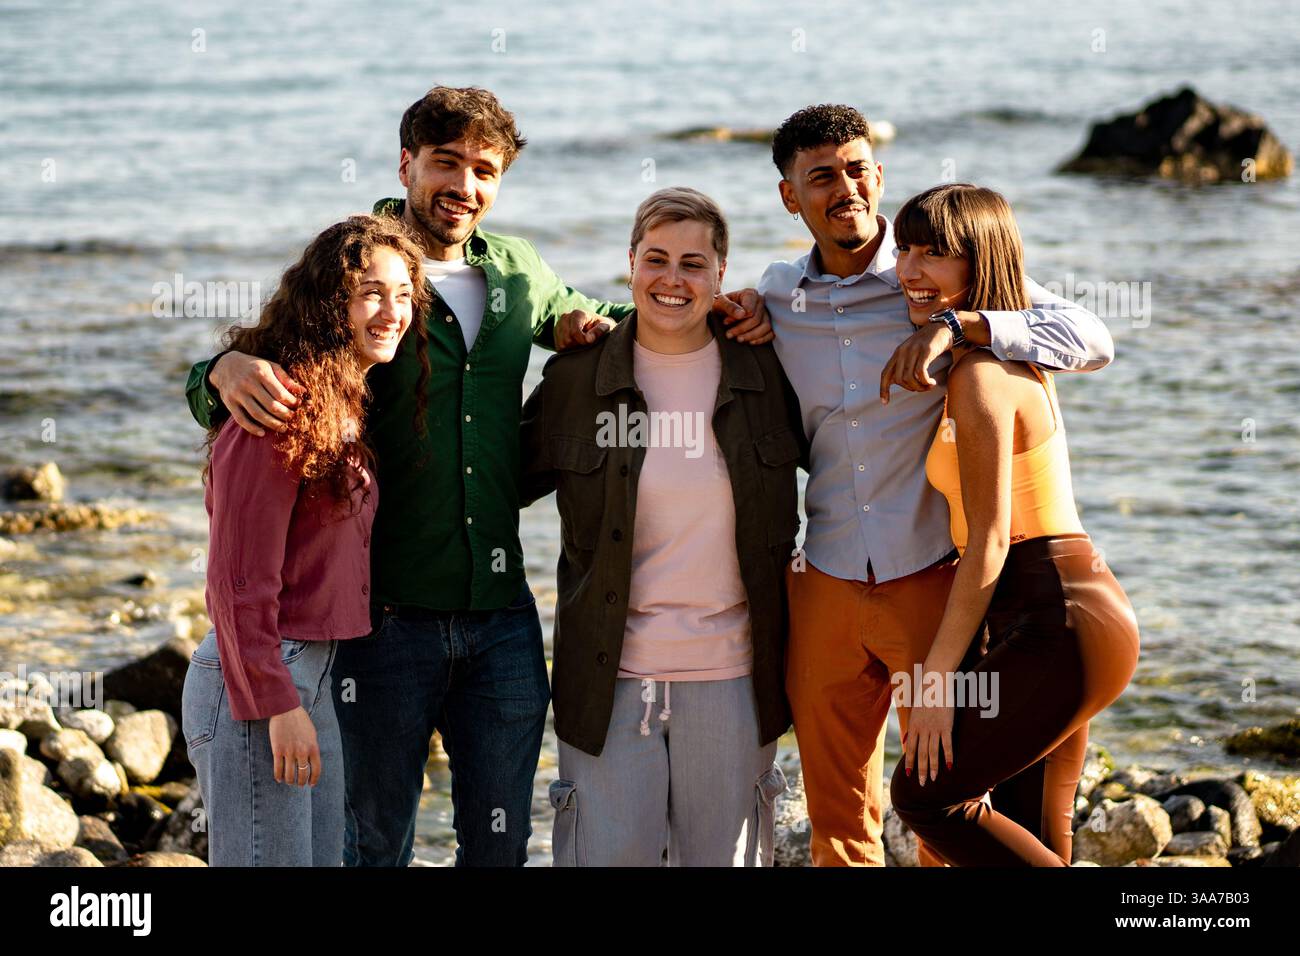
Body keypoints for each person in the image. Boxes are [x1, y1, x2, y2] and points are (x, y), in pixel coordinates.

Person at [182, 87, 774, 866]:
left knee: (500, 846)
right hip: (379, 622)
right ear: (407, 164)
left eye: (485, 170)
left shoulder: (518, 270)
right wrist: (218, 369)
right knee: (372, 843)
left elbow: (627, 318)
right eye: (446, 163)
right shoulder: (361, 268)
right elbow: (273, 355)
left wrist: (737, 312)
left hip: (501, 620)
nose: (464, 185)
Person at [755, 104, 1117, 866]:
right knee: (838, 818)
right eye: (821, 176)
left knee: (943, 806)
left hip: (935, 577)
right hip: (823, 575)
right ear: (791, 197)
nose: (845, 188)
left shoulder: (937, 280)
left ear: (879, 176)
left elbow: (1091, 337)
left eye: (857, 169)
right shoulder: (778, 296)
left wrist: (962, 327)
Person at [519, 187, 805, 866]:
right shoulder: (577, 378)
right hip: (610, 678)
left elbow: (852, 464)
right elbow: (489, 490)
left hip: (734, 677)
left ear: (720, 277)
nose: (672, 279)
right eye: (656, 259)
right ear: (630, 265)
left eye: (693, 264)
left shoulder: (767, 367)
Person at [886, 184, 1139, 865]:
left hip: (1056, 619)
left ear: (980, 264)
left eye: (933, 254)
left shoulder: (982, 377)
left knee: (923, 796)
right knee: (1034, 831)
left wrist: (935, 682)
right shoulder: (1004, 353)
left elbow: (990, 541)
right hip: (1059, 617)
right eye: (905, 249)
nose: (908, 270)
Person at [181, 215, 428, 866]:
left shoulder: (343, 401)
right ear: (330, 300)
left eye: (403, 295)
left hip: (309, 679)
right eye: (371, 291)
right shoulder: (274, 409)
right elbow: (236, 582)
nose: (392, 311)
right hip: (259, 685)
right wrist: (274, 704)